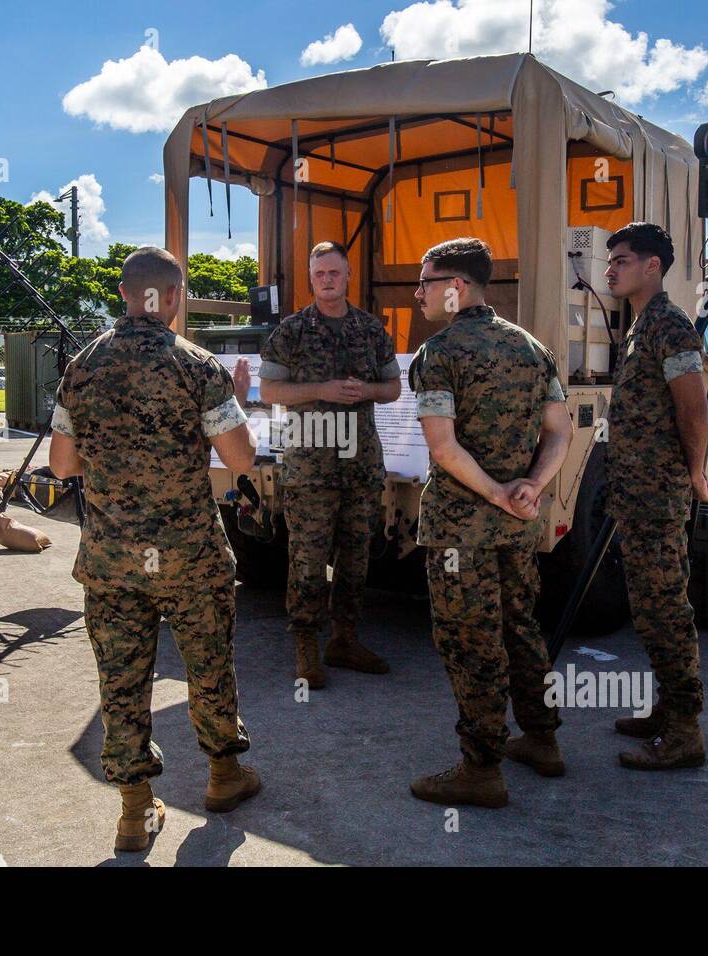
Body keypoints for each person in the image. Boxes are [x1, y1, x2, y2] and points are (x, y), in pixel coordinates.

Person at [49, 246, 261, 854]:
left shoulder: (82, 366)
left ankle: (134, 809)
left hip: (112, 558)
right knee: (208, 665)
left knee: (121, 679)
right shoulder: (197, 365)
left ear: (123, 293)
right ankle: (223, 775)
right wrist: (235, 400)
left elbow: (62, 465)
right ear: (173, 297)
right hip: (189, 554)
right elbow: (241, 458)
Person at [407, 238, 573, 809]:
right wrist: (532, 486)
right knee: (520, 626)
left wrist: (499, 493)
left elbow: (443, 447)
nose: (419, 293)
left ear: (456, 287)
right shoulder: (532, 348)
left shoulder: (439, 353)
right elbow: (560, 431)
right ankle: (543, 739)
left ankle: (481, 769)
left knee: (470, 641)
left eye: (427, 282)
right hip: (517, 527)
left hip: (462, 532)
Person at [259, 241, 401, 689]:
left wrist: (366, 392)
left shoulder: (371, 329)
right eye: (319, 273)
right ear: (310, 278)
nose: (326, 280)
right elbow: (270, 392)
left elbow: (393, 388)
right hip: (310, 465)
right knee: (308, 558)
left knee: (356, 557)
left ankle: (344, 639)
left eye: (334, 273)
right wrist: (321, 390)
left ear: (348, 275)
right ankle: (306, 645)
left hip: (360, 463)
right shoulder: (291, 332)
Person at [602, 222, 708, 770]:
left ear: (652, 266)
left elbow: (692, 406)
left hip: (656, 492)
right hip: (636, 492)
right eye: (609, 261)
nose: (610, 269)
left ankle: (685, 730)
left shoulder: (669, 324)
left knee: (664, 608)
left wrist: (695, 471)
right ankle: (669, 709)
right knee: (650, 607)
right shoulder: (641, 325)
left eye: (621, 260)